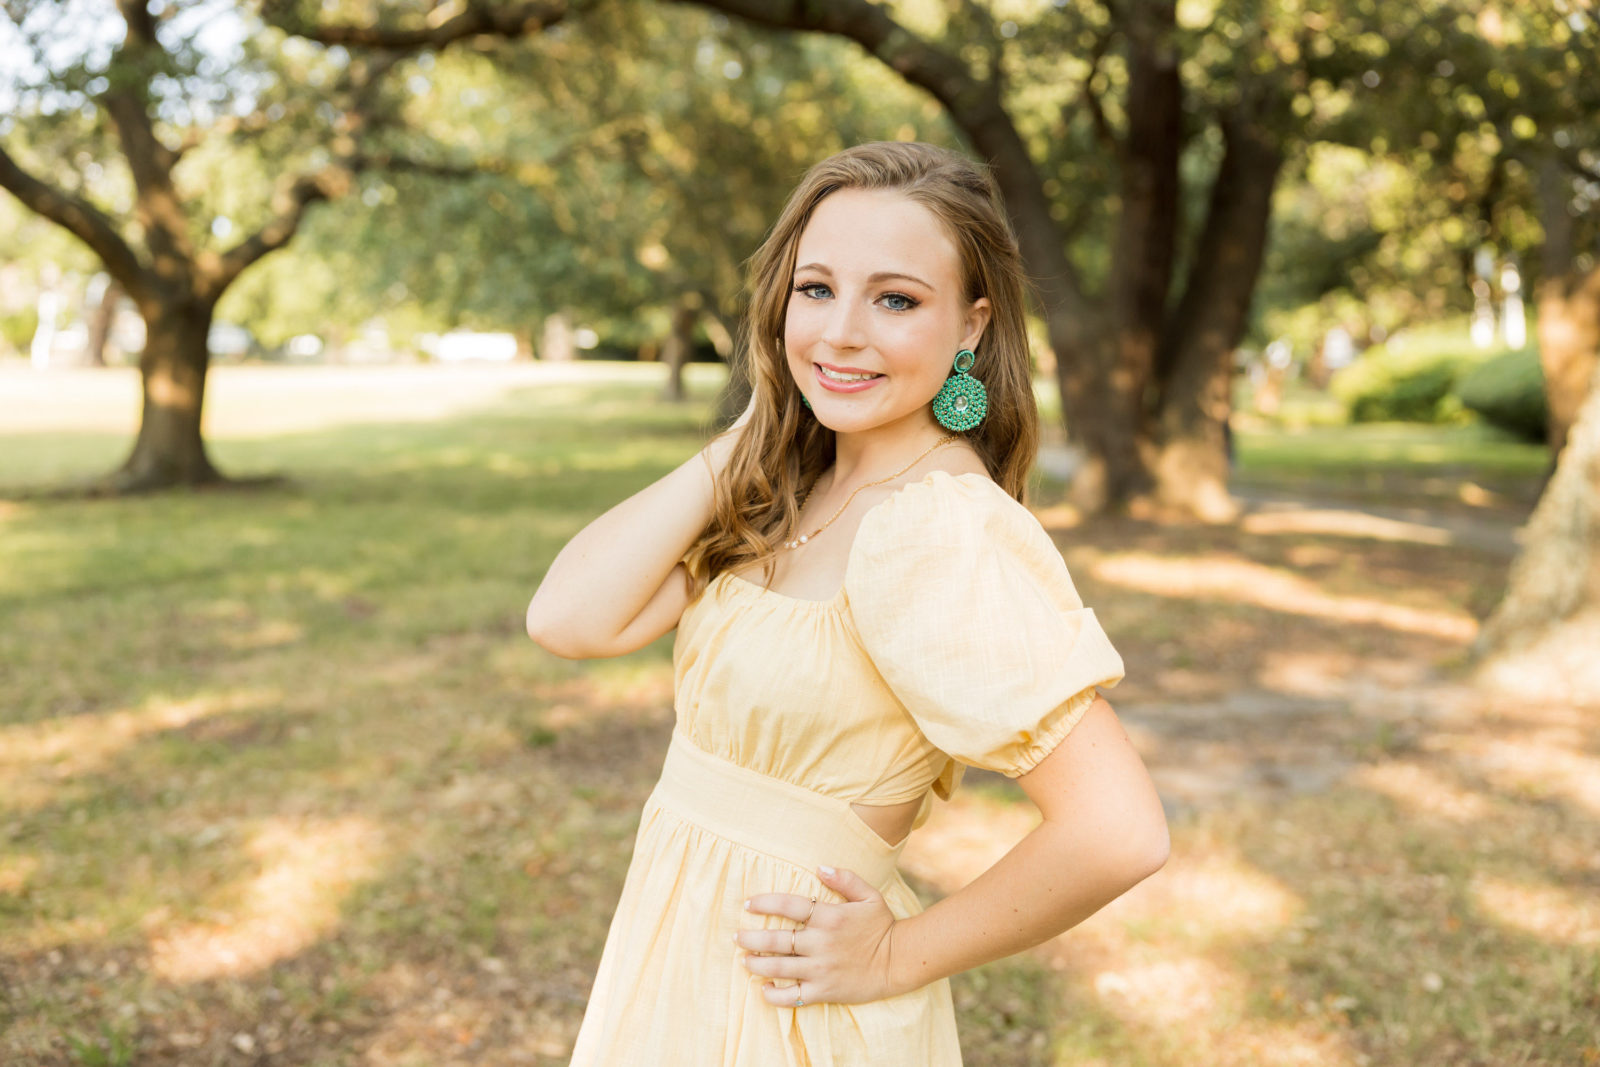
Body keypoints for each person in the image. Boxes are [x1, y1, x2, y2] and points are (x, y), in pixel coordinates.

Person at [526, 141, 1169, 1065]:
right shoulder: (788, 487)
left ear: (970, 327)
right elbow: (570, 619)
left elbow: (1118, 829)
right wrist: (765, 417)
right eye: (816, 289)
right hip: (676, 973)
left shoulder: (936, 531)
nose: (840, 332)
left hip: (789, 1012)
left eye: (896, 299)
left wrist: (897, 952)